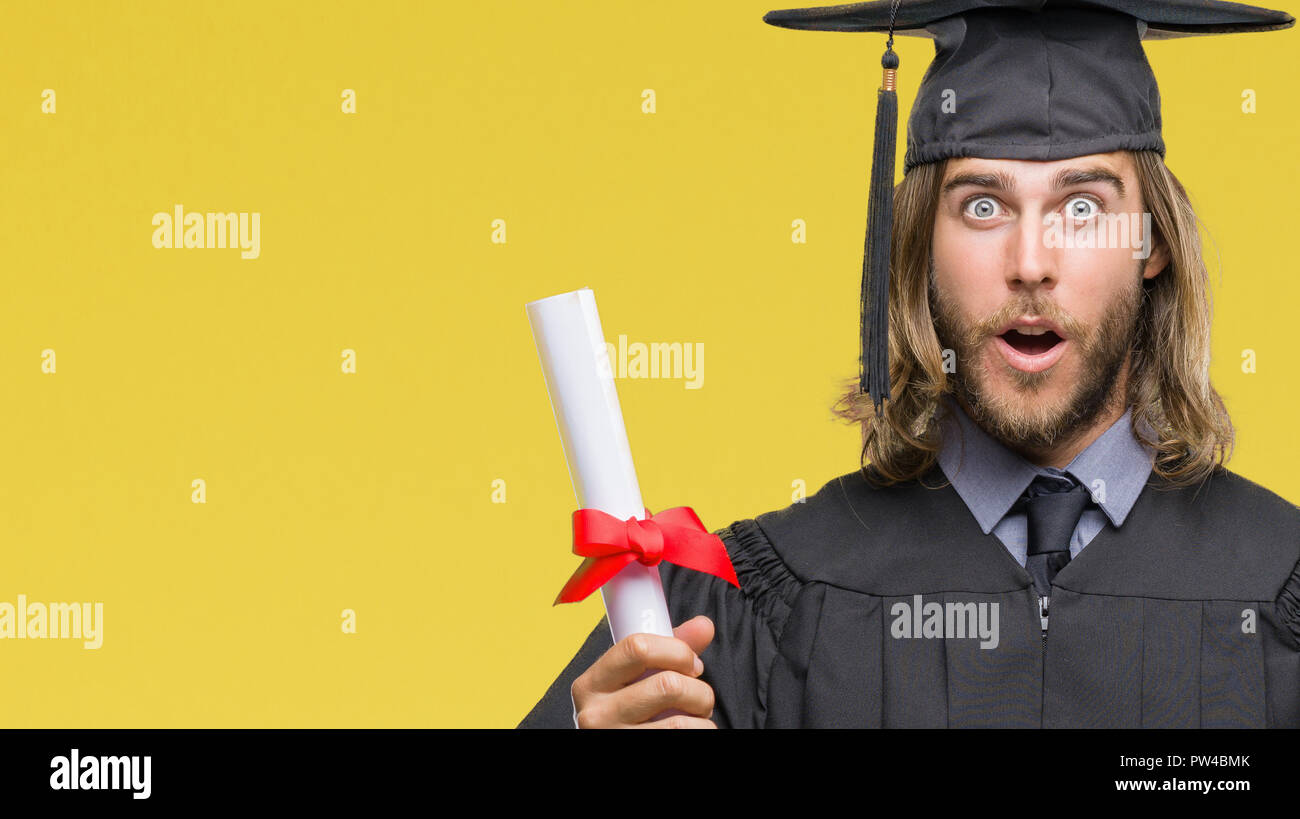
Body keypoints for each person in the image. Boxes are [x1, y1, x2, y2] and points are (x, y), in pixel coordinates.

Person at [520, 0, 1300, 728]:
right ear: (918, 241)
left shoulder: (1278, 586)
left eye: (1084, 208)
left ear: (1153, 244)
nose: (1032, 262)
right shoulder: (739, 617)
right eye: (983, 206)